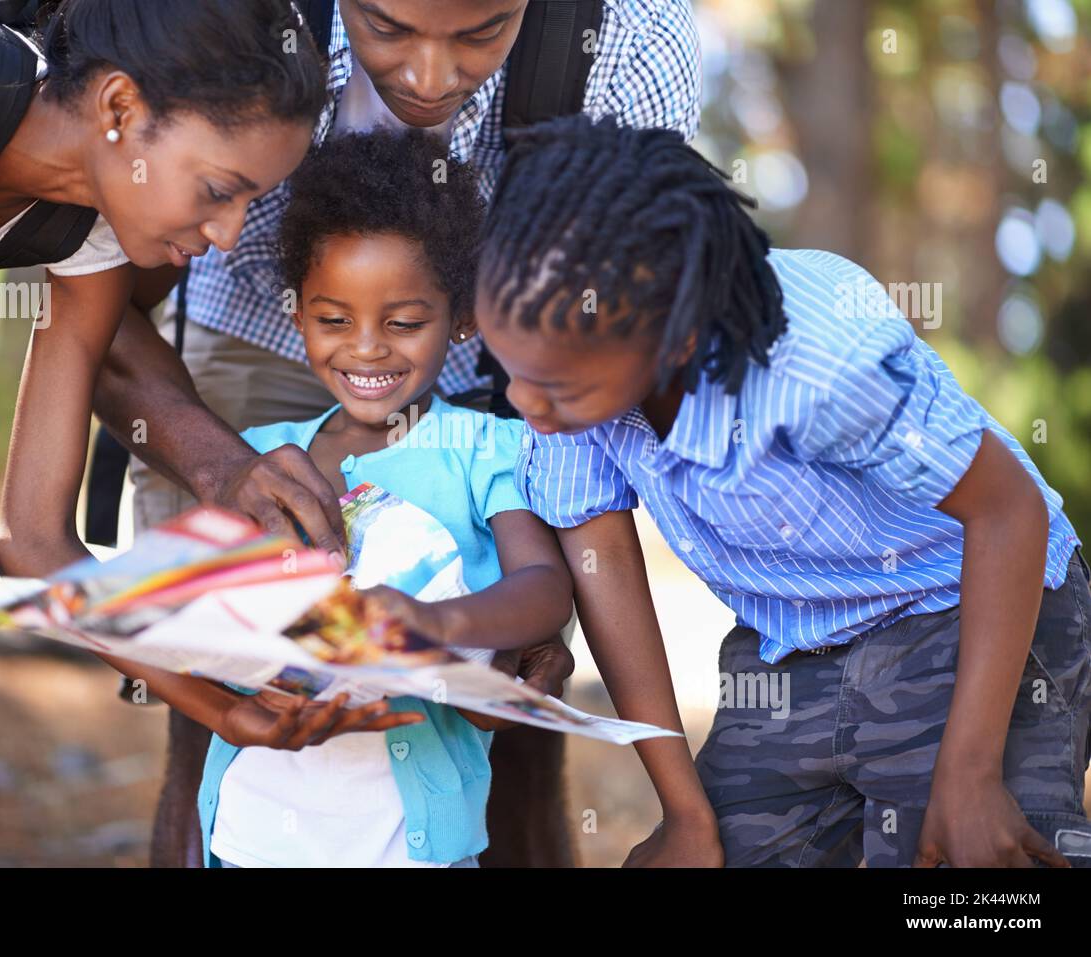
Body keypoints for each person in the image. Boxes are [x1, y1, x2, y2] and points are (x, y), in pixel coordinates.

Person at [0, 0, 378, 867]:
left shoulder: (97, 220)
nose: (222, 237)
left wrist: (222, 708)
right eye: (219, 191)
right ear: (117, 110)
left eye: (247, 203)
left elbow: (36, 543)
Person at [131, 0, 702, 868]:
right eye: (390, 28)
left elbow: (546, 582)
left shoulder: (628, 36)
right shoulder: (277, 444)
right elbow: (161, 610)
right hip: (244, 329)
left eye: (478, 33)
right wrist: (215, 661)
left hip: (499, 345)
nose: (429, 80)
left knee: (519, 732)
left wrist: (449, 624)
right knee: (198, 734)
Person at [475, 114, 1091, 867]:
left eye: (555, 386)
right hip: (792, 644)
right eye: (510, 369)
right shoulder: (567, 370)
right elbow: (600, 556)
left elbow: (1007, 510)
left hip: (964, 605)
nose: (526, 405)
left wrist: (967, 776)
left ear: (672, 334)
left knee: (972, 867)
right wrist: (685, 812)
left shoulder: (819, 365)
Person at [198, 128, 573, 867]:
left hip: (413, 845)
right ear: (297, 313)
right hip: (256, 833)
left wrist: (435, 621)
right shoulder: (265, 455)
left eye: (403, 322)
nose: (367, 348)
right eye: (334, 319)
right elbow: (201, 614)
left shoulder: (485, 448)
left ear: (462, 317)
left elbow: (546, 588)